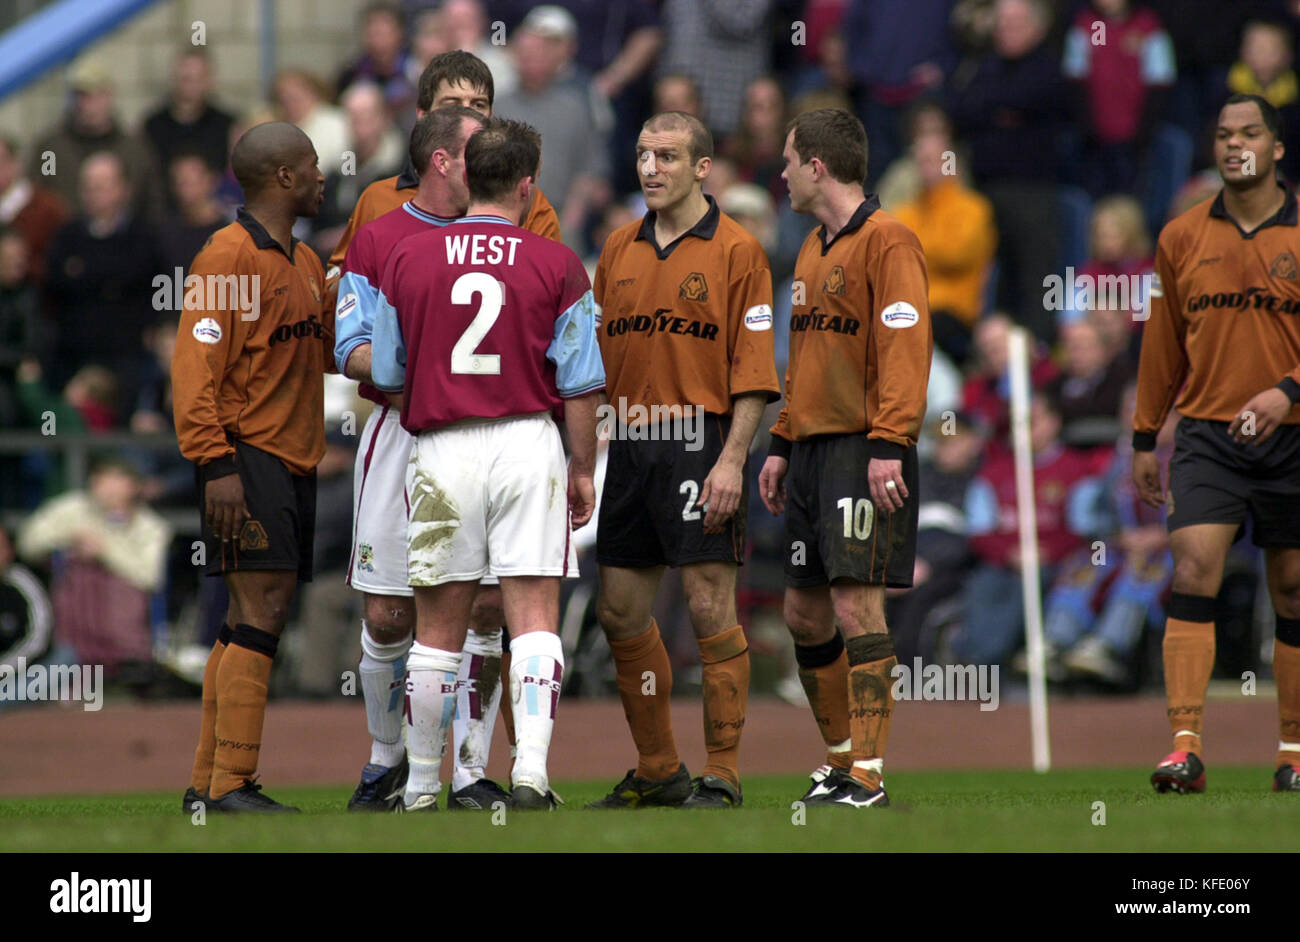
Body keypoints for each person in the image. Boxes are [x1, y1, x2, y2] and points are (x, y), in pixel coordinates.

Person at [328, 50, 562, 811]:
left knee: (490, 610)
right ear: (436, 146)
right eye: (468, 120)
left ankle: (467, 768)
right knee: (393, 611)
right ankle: (385, 758)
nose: (489, 148)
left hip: (494, 433)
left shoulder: (532, 208)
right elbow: (349, 341)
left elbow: (552, 316)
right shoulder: (376, 219)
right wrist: (417, 367)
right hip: (405, 429)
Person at [370, 117, 604, 810]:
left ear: (465, 174)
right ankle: (529, 773)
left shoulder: (408, 258)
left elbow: (386, 369)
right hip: (528, 437)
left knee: (437, 627)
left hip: (443, 445)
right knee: (532, 615)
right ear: (528, 186)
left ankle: (416, 789)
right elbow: (581, 383)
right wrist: (583, 468)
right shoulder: (557, 263)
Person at [587, 110, 780, 810]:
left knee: (707, 604)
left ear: (702, 168)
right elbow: (594, 363)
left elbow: (755, 375)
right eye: (643, 155)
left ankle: (722, 770)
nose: (650, 169)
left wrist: (732, 461)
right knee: (619, 609)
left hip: (702, 438)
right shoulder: (616, 249)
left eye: (667, 156)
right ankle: (660, 766)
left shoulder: (737, 251)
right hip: (631, 441)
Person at [758, 107, 932, 809]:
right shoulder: (811, 247)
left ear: (818, 167)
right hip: (809, 449)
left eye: (790, 160)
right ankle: (838, 759)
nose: (783, 173)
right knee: (804, 612)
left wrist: (890, 443)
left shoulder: (889, 242)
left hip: (865, 447)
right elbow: (803, 362)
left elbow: (905, 350)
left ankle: (869, 772)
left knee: (858, 605)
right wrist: (779, 441)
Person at [1132, 93, 1300, 795]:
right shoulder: (1180, 237)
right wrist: (1145, 434)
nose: (1235, 145)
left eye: (1250, 133)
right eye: (1224, 134)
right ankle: (1185, 747)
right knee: (1193, 569)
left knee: (1292, 588)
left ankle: (1292, 753)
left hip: (1295, 435)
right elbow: (1162, 343)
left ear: (1277, 148)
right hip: (1208, 435)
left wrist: (1287, 391)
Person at [172, 122, 329, 813]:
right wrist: (215, 463)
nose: (325, 177)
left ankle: (207, 785)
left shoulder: (304, 261)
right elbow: (193, 370)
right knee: (259, 606)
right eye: (314, 166)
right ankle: (233, 784)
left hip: (293, 458)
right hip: (247, 456)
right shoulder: (226, 257)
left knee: (251, 613)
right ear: (284, 178)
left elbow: (312, 355)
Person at [17, 457, 171, 676]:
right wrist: (68, 539)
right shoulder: (70, 509)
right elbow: (28, 543)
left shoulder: (151, 526)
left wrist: (104, 552)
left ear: (134, 487)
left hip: (122, 617)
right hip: (71, 610)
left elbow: (149, 577)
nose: (109, 490)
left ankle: (126, 667)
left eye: (118, 483)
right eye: (103, 482)